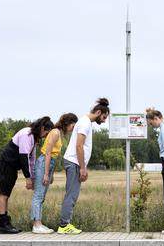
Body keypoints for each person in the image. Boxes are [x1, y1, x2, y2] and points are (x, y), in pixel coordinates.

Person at [57, 98, 110, 234]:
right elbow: (79, 146)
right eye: (104, 117)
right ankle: (64, 226)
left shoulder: (85, 122)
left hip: (75, 162)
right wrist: (82, 168)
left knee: (72, 194)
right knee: (71, 195)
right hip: (74, 162)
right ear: (98, 112)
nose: (104, 120)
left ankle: (65, 224)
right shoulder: (85, 123)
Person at [0, 117, 54, 234]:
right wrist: (27, 178)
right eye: (46, 133)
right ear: (42, 128)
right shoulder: (27, 134)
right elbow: (23, 157)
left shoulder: (34, 139)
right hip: (5, 165)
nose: (46, 136)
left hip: (12, 167)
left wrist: (34, 177)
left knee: (6, 194)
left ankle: (5, 223)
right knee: (4, 194)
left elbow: (31, 160)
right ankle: (2, 225)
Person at [31, 113, 78, 234]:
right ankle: (36, 225)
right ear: (68, 123)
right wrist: (46, 173)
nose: (73, 129)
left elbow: (55, 155)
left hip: (49, 164)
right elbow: (47, 153)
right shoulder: (55, 132)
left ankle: (38, 223)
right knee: (39, 195)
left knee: (42, 196)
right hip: (44, 163)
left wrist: (51, 173)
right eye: (73, 125)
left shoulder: (59, 134)